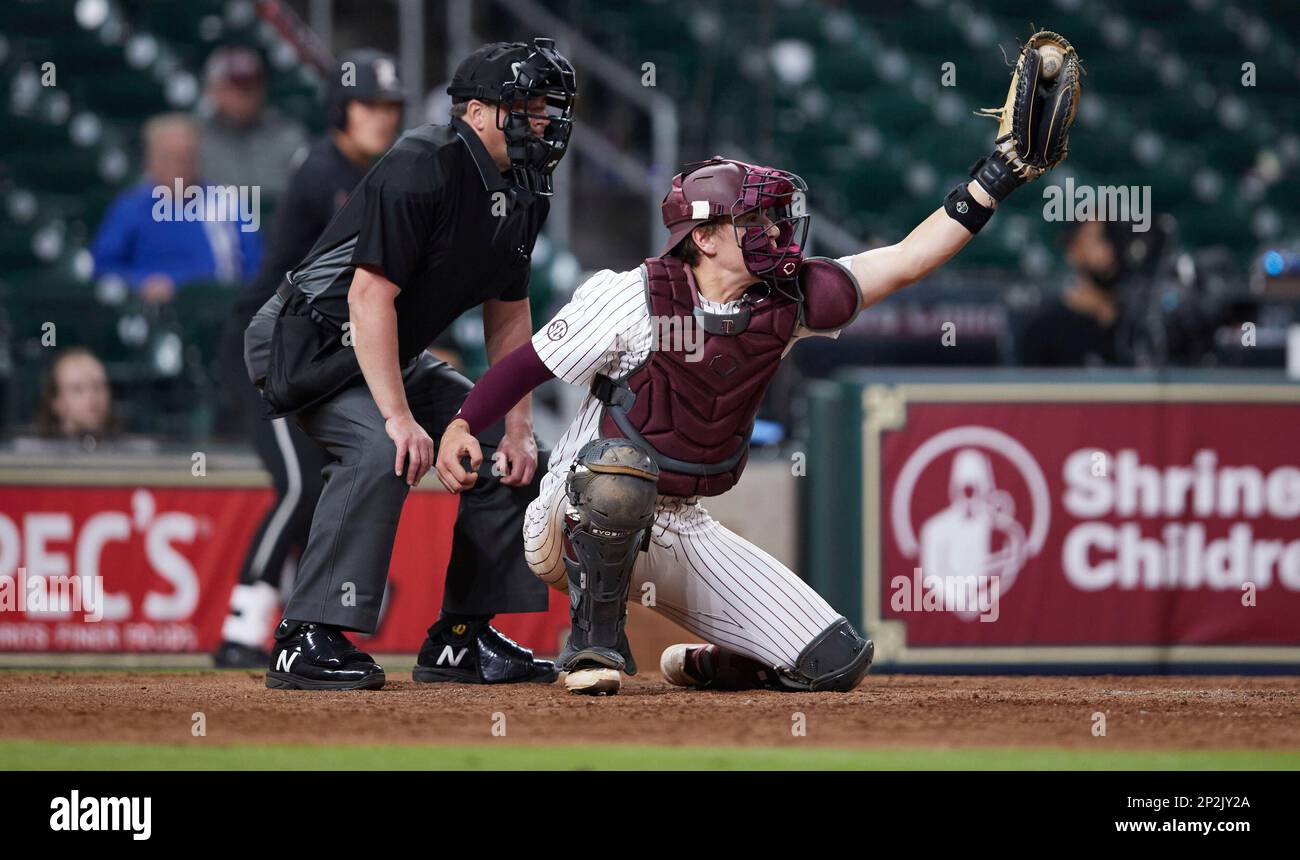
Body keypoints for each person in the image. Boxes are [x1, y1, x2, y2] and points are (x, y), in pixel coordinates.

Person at [433, 37, 1078, 694]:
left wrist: (996, 177)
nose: (774, 232)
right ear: (706, 237)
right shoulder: (631, 294)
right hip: (568, 514)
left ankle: (698, 663)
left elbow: (909, 259)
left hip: (681, 524)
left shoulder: (786, 303)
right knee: (619, 473)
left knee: (834, 662)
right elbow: (528, 365)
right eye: (756, 221)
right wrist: (465, 423)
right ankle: (593, 648)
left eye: (773, 219)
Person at [242, 38, 578, 691]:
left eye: (547, 107)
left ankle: (460, 637)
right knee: (379, 450)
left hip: (381, 344)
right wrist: (397, 417)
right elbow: (370, 295)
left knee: (507, 451)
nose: (542, 120)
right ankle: (305, 636)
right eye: (527, 106)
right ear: (476, 112)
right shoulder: (422, 163)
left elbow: (509, 313)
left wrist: (513, 423)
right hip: (305, 340)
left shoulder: (527, 187)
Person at [214, 49, 405, 669]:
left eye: (390, 107)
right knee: (298, 485)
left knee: (323, 485)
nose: (383, 117)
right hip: (265, 347)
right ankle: (241, 629)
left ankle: (309, 610)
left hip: (314, 351)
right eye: (369, 105)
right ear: (339, 111)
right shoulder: (324, 173)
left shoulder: (368, 174)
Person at [91, 112, 261, 303]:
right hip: (149, 312)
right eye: (171, 156)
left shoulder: (227, 203)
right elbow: (104, 268)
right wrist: (141, 283)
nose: (181, 164)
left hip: (217, 309)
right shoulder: (129, 207)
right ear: (151, 161)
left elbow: (253, 268)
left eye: (188, 155)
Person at [197, 45, 308, 206]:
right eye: (237, 87)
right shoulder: (194, 138)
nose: (247, 95)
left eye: (253, 85)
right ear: (214, 90)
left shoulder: (287, 135)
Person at [1019, 215, 1125, 367]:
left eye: (1115, 237)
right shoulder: (1044, 331)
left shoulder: (1144, 324)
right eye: (1099, 239)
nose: (1110, 249)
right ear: (1072, 250)